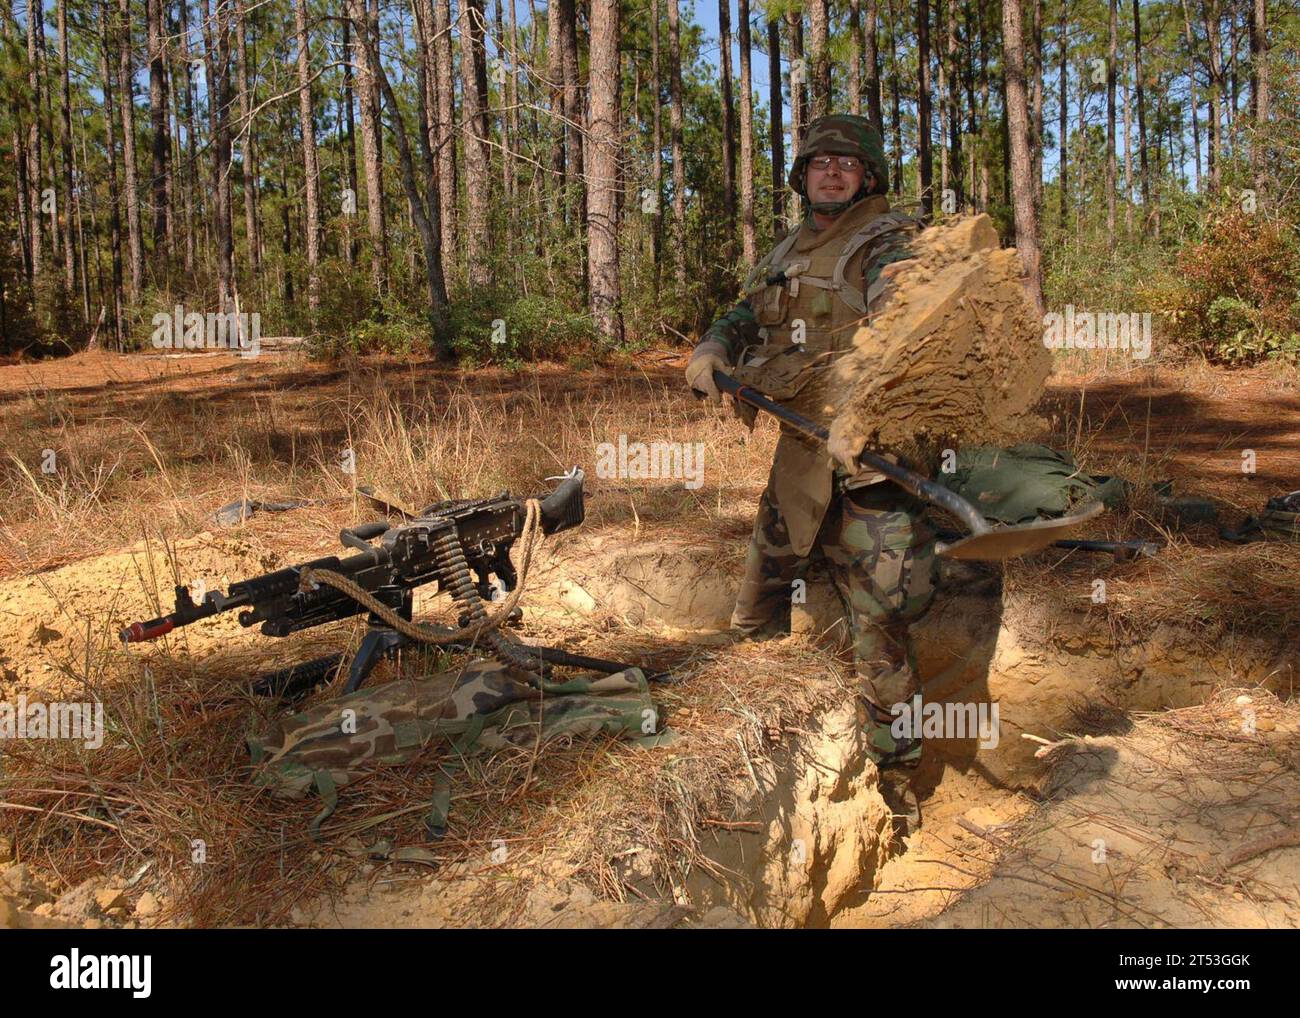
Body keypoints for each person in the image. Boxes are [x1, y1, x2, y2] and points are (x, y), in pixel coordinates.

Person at [685, 114, 938, 777]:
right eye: (819, 162)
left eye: (847, 164)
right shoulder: (786, 251)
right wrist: (715, 348)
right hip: (801, 459)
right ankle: (744, 747)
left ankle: (898, 775)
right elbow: (746, 314)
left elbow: (908, 326)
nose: (832, 171)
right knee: (754, 610)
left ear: (869, 178)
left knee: (881, 638)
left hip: (871, 471)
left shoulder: (889, 245)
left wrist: (871, 408)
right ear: (802, 177)